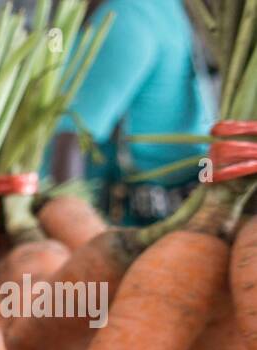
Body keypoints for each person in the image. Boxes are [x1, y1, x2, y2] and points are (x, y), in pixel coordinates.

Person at [48, 0, 214, 225]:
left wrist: (68, 235)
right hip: (167, 213)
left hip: (129, 223)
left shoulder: (129, 14)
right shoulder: (162, 8)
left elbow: (70, 139)